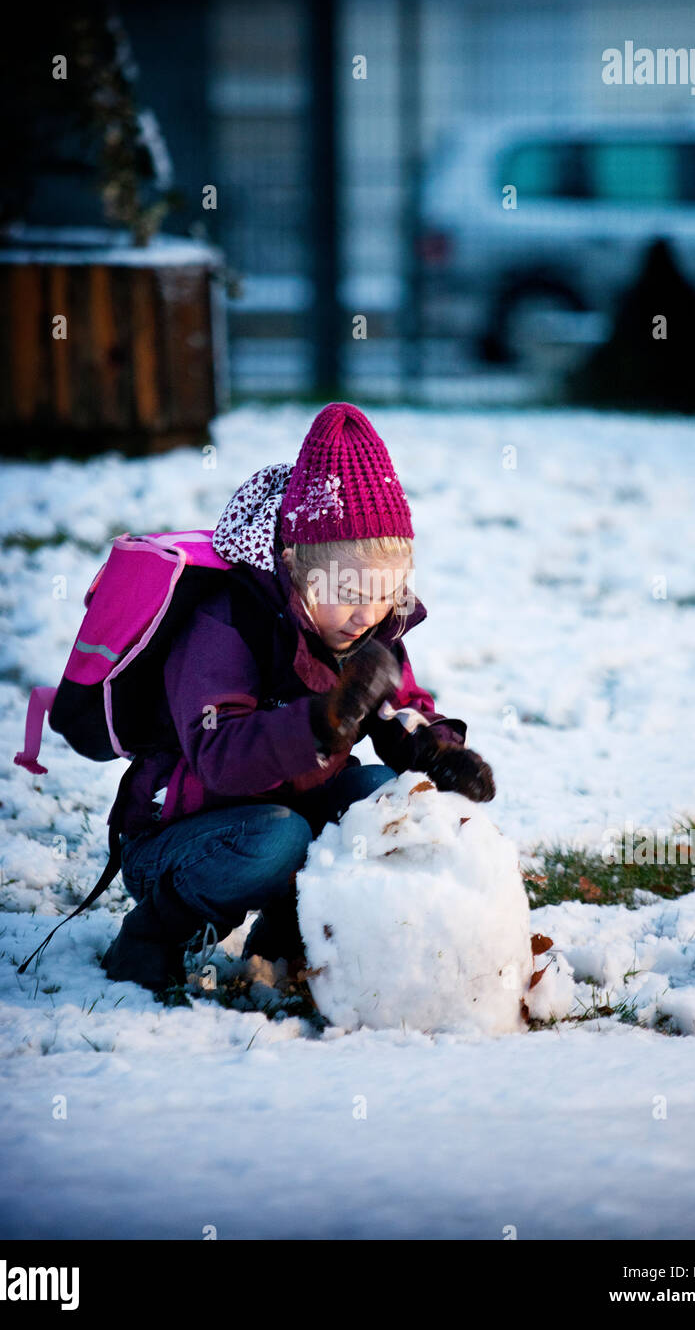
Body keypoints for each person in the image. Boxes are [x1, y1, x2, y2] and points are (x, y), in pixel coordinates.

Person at [100, 402, 495, 997]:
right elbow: (220, 756)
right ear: (293, 565)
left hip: (284, 817)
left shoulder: (362, 627)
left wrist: (436, 752)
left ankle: (284, 936)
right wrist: (320, 725)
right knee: (280, 836)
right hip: (179, 841)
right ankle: (149, 937)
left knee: (381, 795)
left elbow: (398, 708)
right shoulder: (228, 619)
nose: (367, 614)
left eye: (386, 593)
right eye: (348, 592)